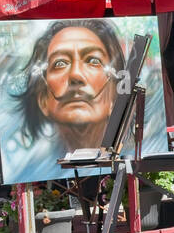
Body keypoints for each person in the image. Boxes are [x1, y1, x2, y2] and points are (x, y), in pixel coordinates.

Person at [11, 20, 123, 164]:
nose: (76, 75)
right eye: (60, 63)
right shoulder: (29, 166)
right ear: (43, 99)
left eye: (93, 60)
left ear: (114, 94)